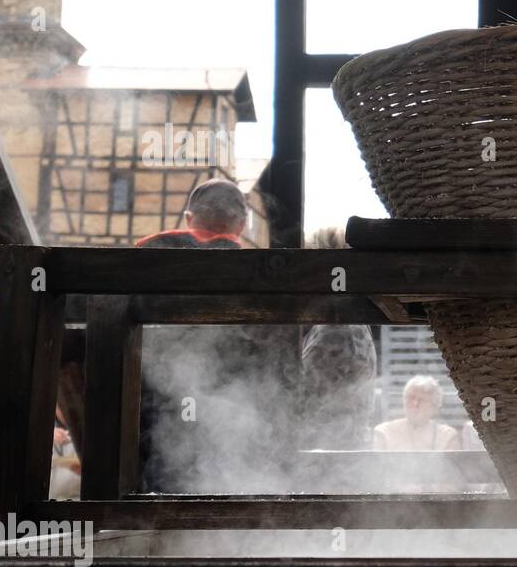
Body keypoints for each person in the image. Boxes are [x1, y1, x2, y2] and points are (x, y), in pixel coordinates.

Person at [136, 177, 295, 492]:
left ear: (189, 218)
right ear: (241, 224)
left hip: (150, 410)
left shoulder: (144, 254)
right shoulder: (261, 269)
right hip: (233, 414)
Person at [298, 227, 378, 450]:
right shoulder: (348, 321)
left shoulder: (336, 328)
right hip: (342, 449)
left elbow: (307, 396)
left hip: (328, 453)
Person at [373, 375, 460, 451]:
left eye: (422, 400)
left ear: (435, 407)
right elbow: (377, 467)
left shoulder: (447, 436)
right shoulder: (384, 432)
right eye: (411, 398)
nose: (415, 404)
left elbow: (451, 468)